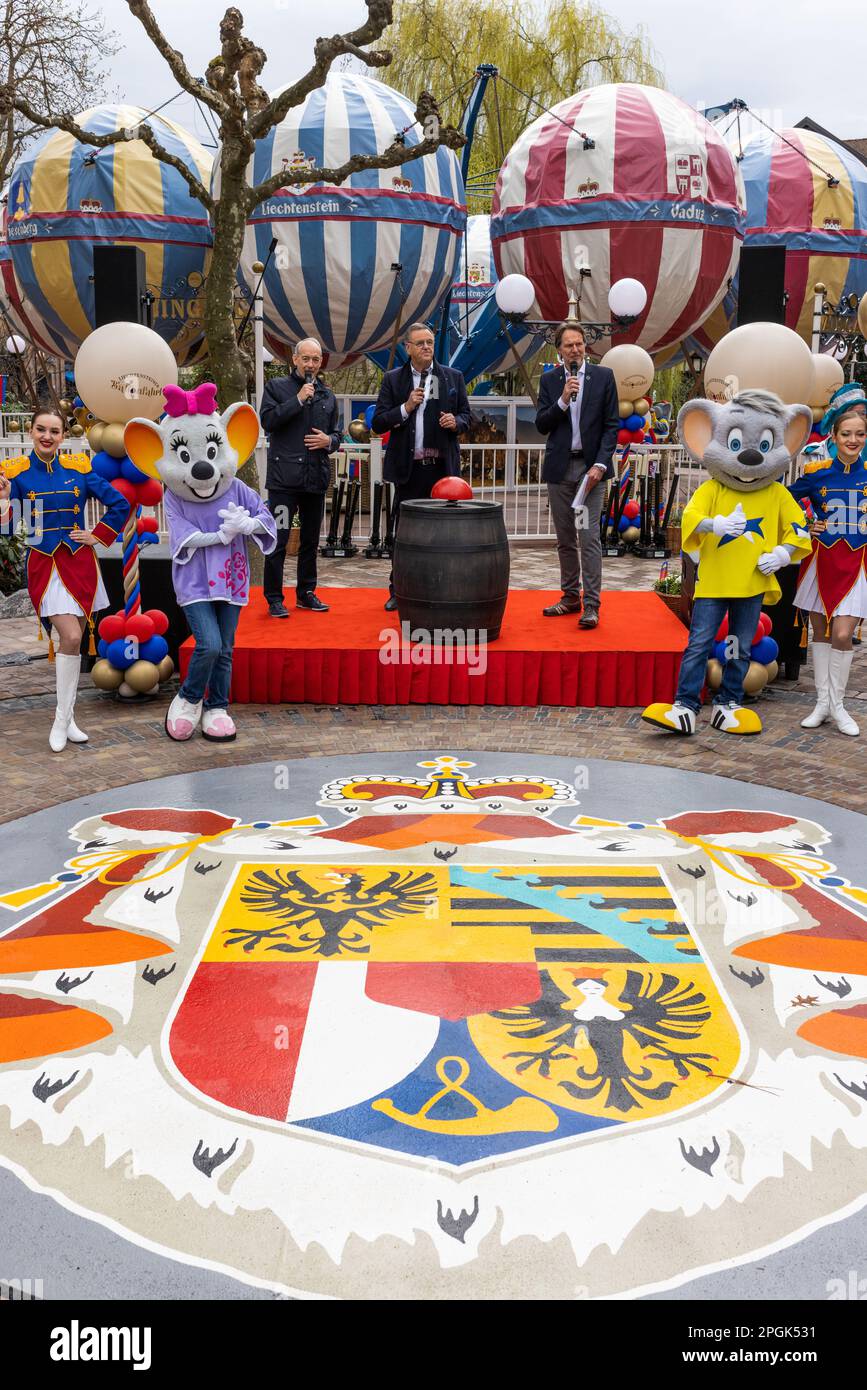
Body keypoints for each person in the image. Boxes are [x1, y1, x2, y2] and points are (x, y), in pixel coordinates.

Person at [125, 383, 277, 743]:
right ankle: (189, 698)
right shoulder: (175, 498)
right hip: (194, 582)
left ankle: (218, 707)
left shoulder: (239, 488)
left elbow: (266, 518)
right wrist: (221, 536)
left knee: (225, 648)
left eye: (211, 450)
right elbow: (183, 538)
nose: (204, 467)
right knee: (208, 644)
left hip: (231, 579)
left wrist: (249, 525)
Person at [0, 407, 129, 751]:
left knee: (71, 642)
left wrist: (98, 534)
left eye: (54, 431)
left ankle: (67, 719)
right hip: (45, 566)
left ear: (62, 436)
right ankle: (61, 719)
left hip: (79, 563)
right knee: (71, 635)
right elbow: (11, 528)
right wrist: (3, 501)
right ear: (31, 432)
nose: (47, 436)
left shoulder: (78, 469)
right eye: (41, 429)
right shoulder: (19, 474)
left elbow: (119, 504)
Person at [371, 322, 471, 611]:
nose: (427, 347)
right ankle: (398, 589)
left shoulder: (451, 377)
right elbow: (377, 422)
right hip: (409, 470)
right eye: (421, 343)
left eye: (430, 341)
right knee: (404, 533)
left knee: (443, 534)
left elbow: (467, 415)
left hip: (441, 471)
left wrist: (457, 422)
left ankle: (441, 588)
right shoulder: (393, 380)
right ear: (408, 348)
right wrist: (406, 408)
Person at [788, 405, 867, 737]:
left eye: (860, 434)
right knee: (820, 634)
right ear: (834, 437)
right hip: (821, 562)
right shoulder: (817, 472)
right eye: (846, 434)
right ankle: (823, 704)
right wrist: (806, 525)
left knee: (842, 635)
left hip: (857, 564)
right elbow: (782, 499)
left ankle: (838, 705)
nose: (853, 440)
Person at [535, 322, 620, 628]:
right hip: (560, 470)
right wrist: (562, 400)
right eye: (568, 345)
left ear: (586, 346)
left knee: (588, 537)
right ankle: (570, 597)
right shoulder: (550, 380)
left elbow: (612, 425)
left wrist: (600, 464)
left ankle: (592, 604)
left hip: (590, 473)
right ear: (559, 350)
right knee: (565, 539)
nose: (575, 349)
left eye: (579, 344)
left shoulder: (603, 377)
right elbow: (542, 424)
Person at [260, 338, 340, 617]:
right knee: (278, 540)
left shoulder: (327, 396)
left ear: (321, 362)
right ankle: (273, 598)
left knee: (310, 540)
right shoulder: (276, 388)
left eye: (315, 359)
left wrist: (328, 441)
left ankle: (306, 593)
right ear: (294, 359)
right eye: (305, 358)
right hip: (283, 483)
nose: (310, 364)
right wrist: (296, 400)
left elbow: (337, 434)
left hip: (315, 481)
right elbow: (268, 421)